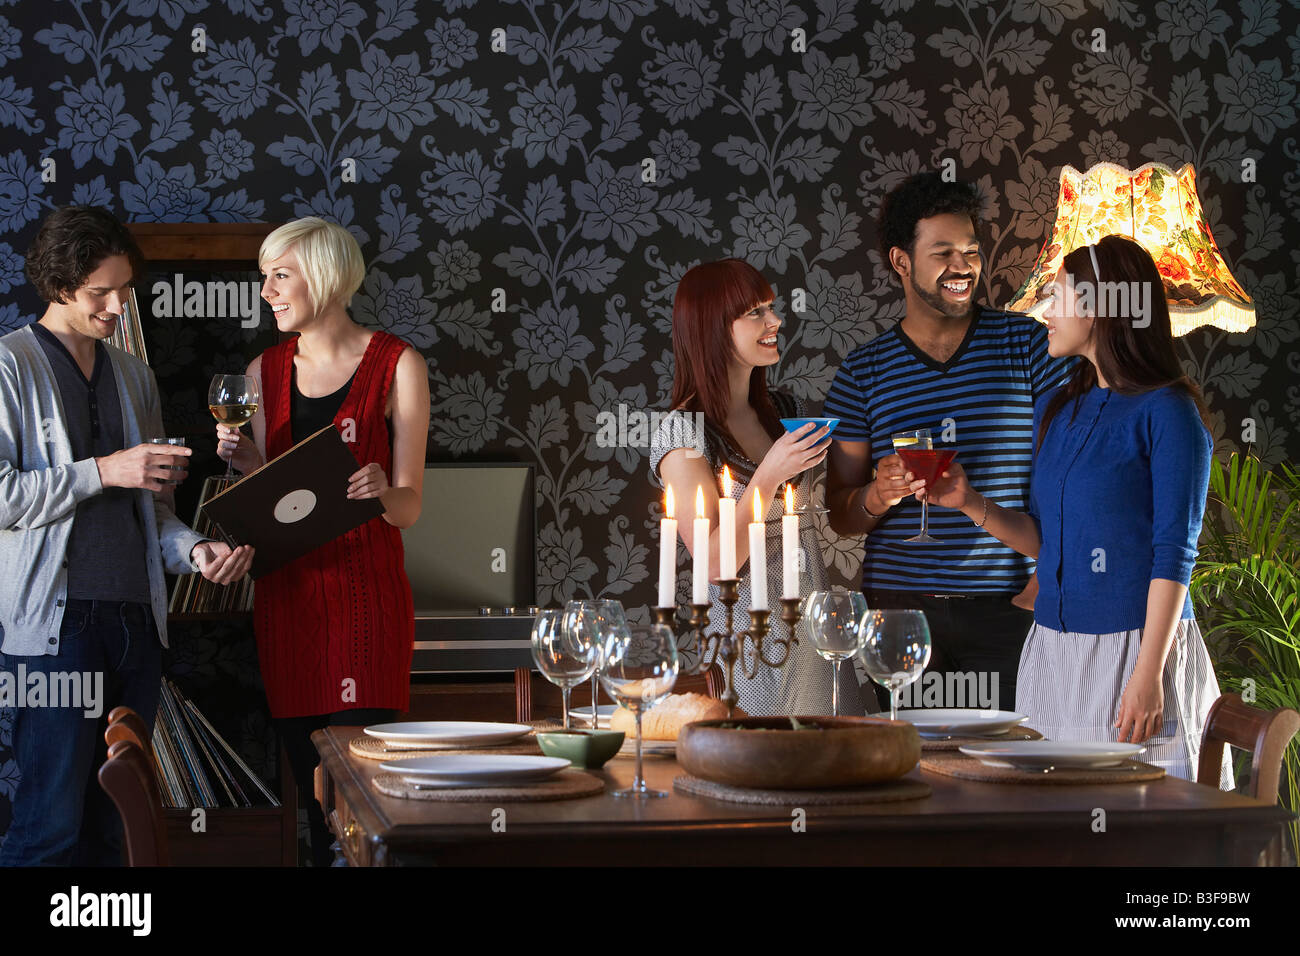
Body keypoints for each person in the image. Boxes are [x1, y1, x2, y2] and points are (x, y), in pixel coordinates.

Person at [920, 234, 1232, 785]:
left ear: (1102, 308)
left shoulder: (1170, 415)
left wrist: (1147, 673)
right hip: (1052, 651)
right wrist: (970, 504)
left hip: (1137, 649)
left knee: (1146, 830)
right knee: (1061, 827)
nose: (1046, 311)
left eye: (1059, 295)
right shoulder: (1060, 409)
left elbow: (1174, 556)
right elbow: (1049, 541)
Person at [0, 206, 252, 866]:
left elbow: (154, 514)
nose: (117, 306)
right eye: (99, 293)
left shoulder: (135, 377)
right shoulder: (8, 368)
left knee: (119, 831)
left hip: (138, 626)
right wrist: (105, 469)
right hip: (52, 634)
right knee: (51, 825)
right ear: (58, 286)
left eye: (124, 289)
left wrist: (195, 551)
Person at [216, 216, 429, 865]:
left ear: (326, 276)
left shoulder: (398, 364)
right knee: (314, 803)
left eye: (280, 276)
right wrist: (247, 469)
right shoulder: (261, 369)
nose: (266, 293)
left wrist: (380, 489)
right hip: (289, 604)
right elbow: (270, 501)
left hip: (367, 604)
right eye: (264, 278)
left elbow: (410, 507)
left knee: (370, 799)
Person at [824, 172, 1074, 713]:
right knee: (912, 769)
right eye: (943, 253)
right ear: (901, 261)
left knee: (1010, 774)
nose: (963, 267)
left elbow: (1071, 475)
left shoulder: (1030, 345)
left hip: (1012, 608)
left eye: (971, 251)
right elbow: (840, 510)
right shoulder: (862, 372)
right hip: (899, 615)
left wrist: (1047, 579)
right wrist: (876, 494)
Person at [650, 258, 863, 716]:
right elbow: (711, 562)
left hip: (818, 635)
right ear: (712, 328)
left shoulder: (785, 407)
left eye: (770, 307)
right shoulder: (682, 432)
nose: (776, 320)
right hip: (753, 643)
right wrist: (769, 473)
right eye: (755, 313)